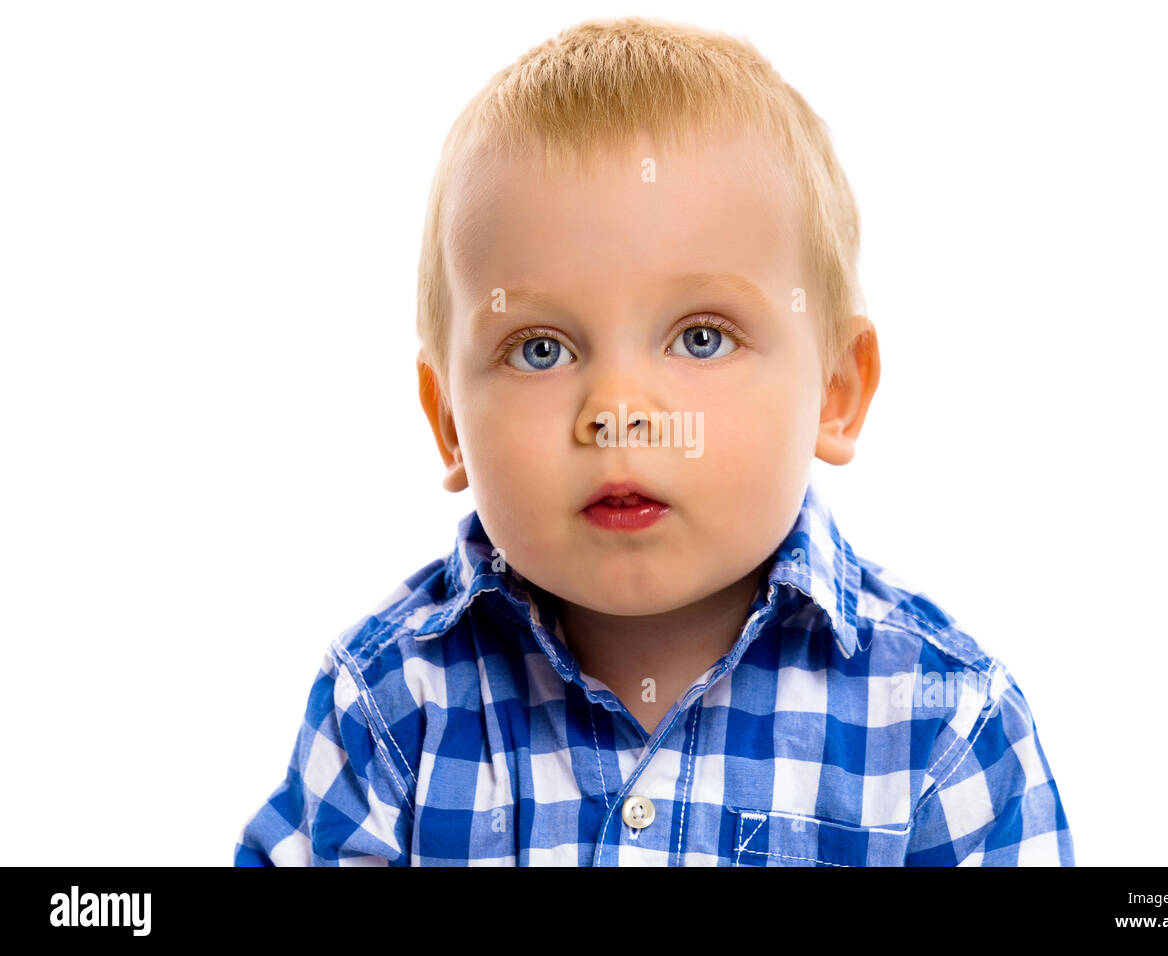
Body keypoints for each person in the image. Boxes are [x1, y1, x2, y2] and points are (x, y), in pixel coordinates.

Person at [235, 15, 1073, 866]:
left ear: (836, 391)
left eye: (700, 338)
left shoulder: (945, 725)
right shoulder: (385, 710)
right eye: (540, 349)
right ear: (448, 420)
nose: (618, 413)